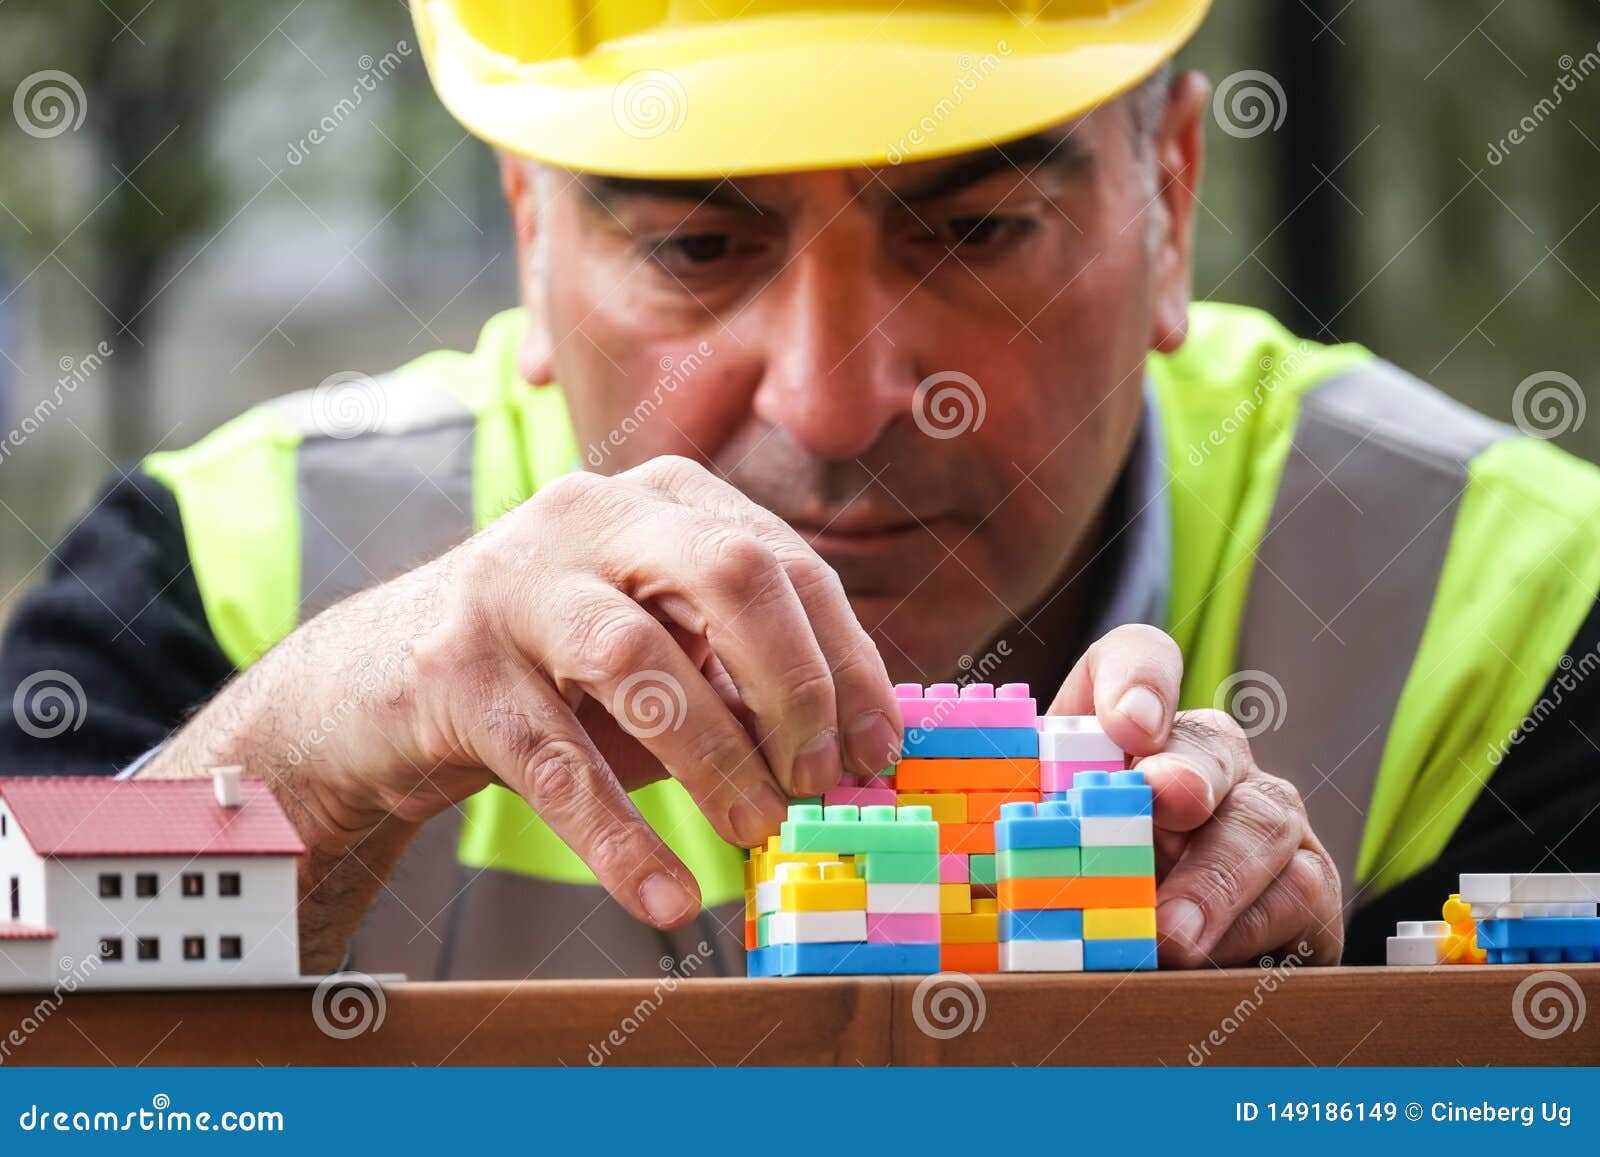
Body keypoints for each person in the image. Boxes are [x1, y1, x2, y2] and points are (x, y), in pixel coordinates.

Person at [3, 0, 1597, 979]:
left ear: (1170, 199)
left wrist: (1312, 1074)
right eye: (699, 248)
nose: (833, 402)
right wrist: (304, 771)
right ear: (531, 230)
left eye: (972, 231)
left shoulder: (1508, 611)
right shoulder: (232, 568)